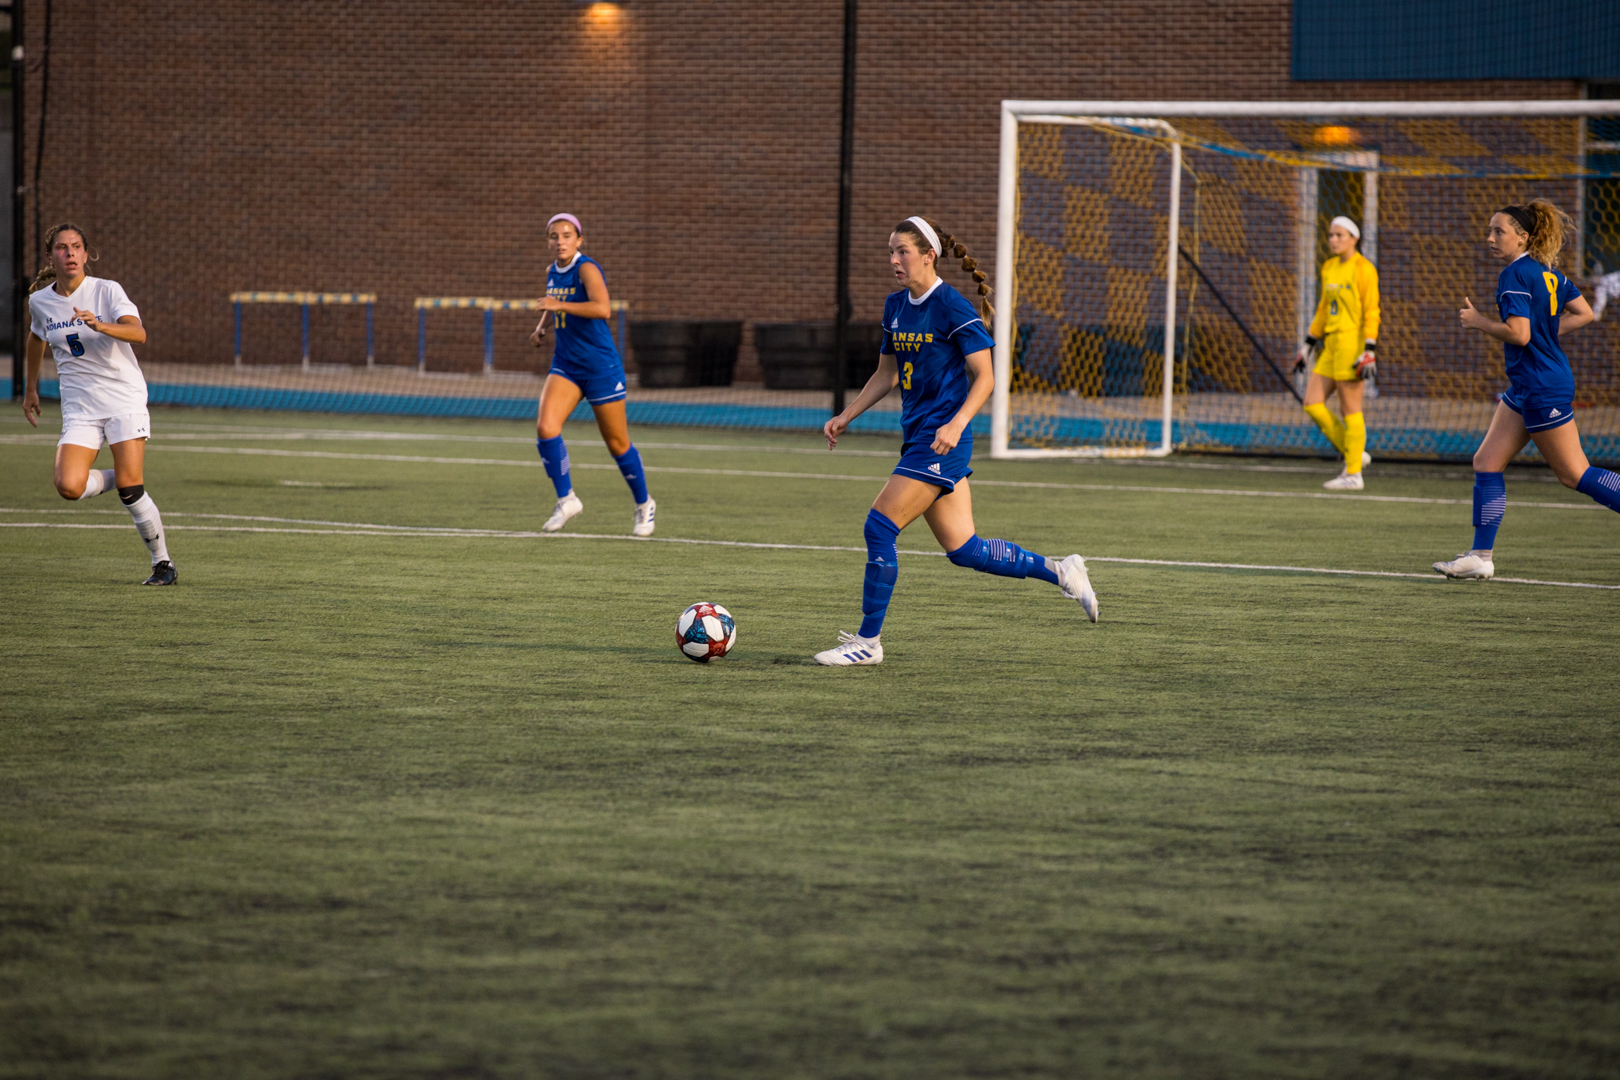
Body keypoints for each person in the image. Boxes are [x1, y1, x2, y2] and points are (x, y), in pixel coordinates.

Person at [813, 216, 1097, 667]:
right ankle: (1062, 571)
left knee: (879, 526)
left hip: (942, 440)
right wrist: (847, 415)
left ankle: (868, 642)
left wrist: (957, 423)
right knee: (966, 550)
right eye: (890, 252)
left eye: (902, 252)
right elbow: (886, 374)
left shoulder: (952, 306)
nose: (893, 261)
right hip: (920, 439)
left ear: (929, 255)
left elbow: (985, 376)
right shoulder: (895, 306)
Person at [1434, 200, 1619, 579]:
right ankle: (1480, 557)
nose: (1490, 238)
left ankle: (1481, 555)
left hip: (1540, 384)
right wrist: (1544, 337)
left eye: (1498, 231)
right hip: (1527, 384)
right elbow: (1585, 313)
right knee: (1486, 462)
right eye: (1489, 230)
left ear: (1523, 236)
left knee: (1574, 474)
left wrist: (1479, 321)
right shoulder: (1546, 272)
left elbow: (1519, 334)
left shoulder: (1514, 275)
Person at [20, 223, 175, 585]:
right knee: (69, 486)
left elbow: (138, 333)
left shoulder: (107, 291)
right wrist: (30, 389)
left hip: (123, 397)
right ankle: (121, 477)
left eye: (76, 247)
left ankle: (163, 563)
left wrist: (101, 325)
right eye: (62, 247)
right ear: (50, 257)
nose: (70, 253)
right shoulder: (41, 302)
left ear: (87, 254)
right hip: (80, 407)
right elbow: (35, 339)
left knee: (132, 489)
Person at [529, 213, 654, 536]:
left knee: (617, 442)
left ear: (579, 240)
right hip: (567, 365)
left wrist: (558, 306)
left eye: (567, 235)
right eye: (554, 236)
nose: (560, 241)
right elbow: (553, 304)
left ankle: (644, 505)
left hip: (600, 367)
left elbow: (602, 309)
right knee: (546, 427)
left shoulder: (586, 268)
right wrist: (541, 327)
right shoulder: (552, 272)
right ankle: (567, 499)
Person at [1292, 215, 1380, 490]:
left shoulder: (1363, 269)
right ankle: (1355, 453)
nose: (1333, 239)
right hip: (1329, 345)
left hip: (1352, 343)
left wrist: (1369, 349)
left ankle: (1353, 474)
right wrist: (1307, 345)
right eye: (1331, 235)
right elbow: (1322, 309)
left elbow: (1372, 311)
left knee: (1349, 408)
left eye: (1339, 235)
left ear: (1354, 238)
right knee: (1312, 403)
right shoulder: (1329, 267)